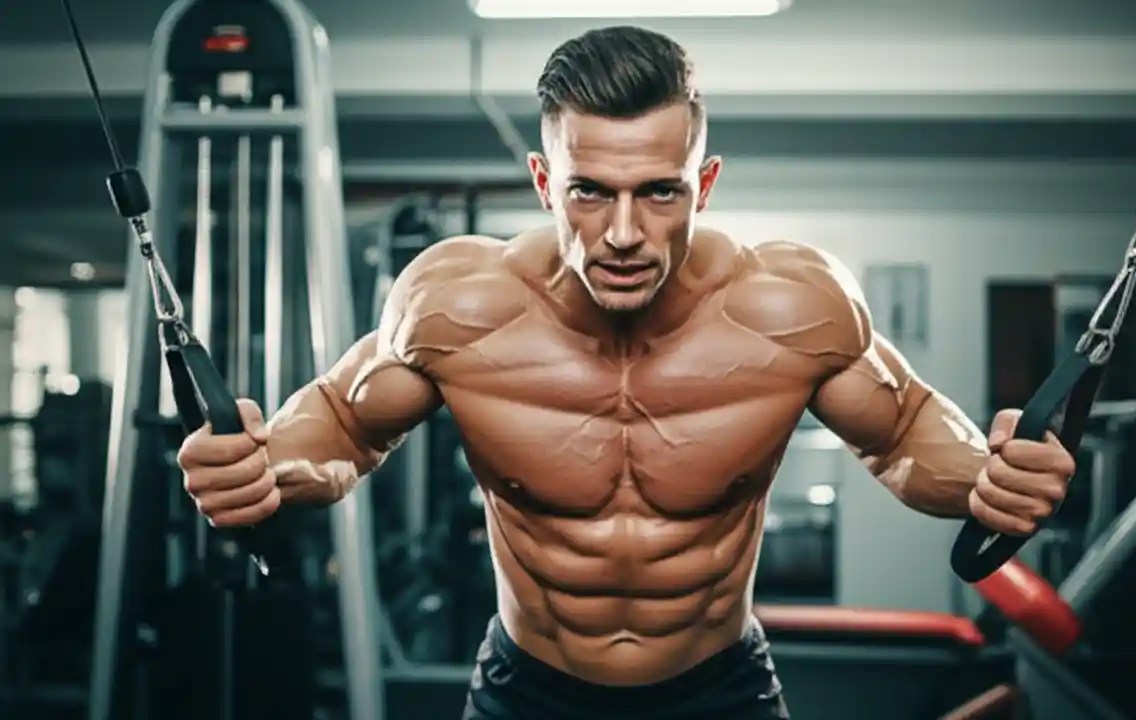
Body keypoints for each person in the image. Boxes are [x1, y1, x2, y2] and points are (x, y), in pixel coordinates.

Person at [176, 25, 1076, 720]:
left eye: (659, 191)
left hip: (718, 690)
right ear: (542, 179)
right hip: (527, 691)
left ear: (705, 182)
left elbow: (909, 430)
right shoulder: (461, 305)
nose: (621, 233)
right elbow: (340, 421)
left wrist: (988, 480)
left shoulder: (789, 306)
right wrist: (266, 466)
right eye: (588, 191)